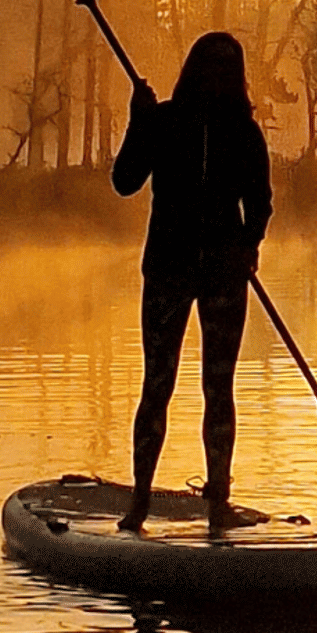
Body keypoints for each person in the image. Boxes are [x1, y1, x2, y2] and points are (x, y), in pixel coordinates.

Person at [112, 31, 272, 534]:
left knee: (218, 387)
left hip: (224, 273)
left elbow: (261, 201)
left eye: (229, 70)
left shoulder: (245, 134)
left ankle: (218, 500)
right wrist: (138, 121)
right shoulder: (162, 121)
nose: (220, 78)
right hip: (168, 270)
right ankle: (139, 500)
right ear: (195, 70)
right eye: (213, 68)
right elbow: (125, 180)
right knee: (157, 383)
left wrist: (248, 244)